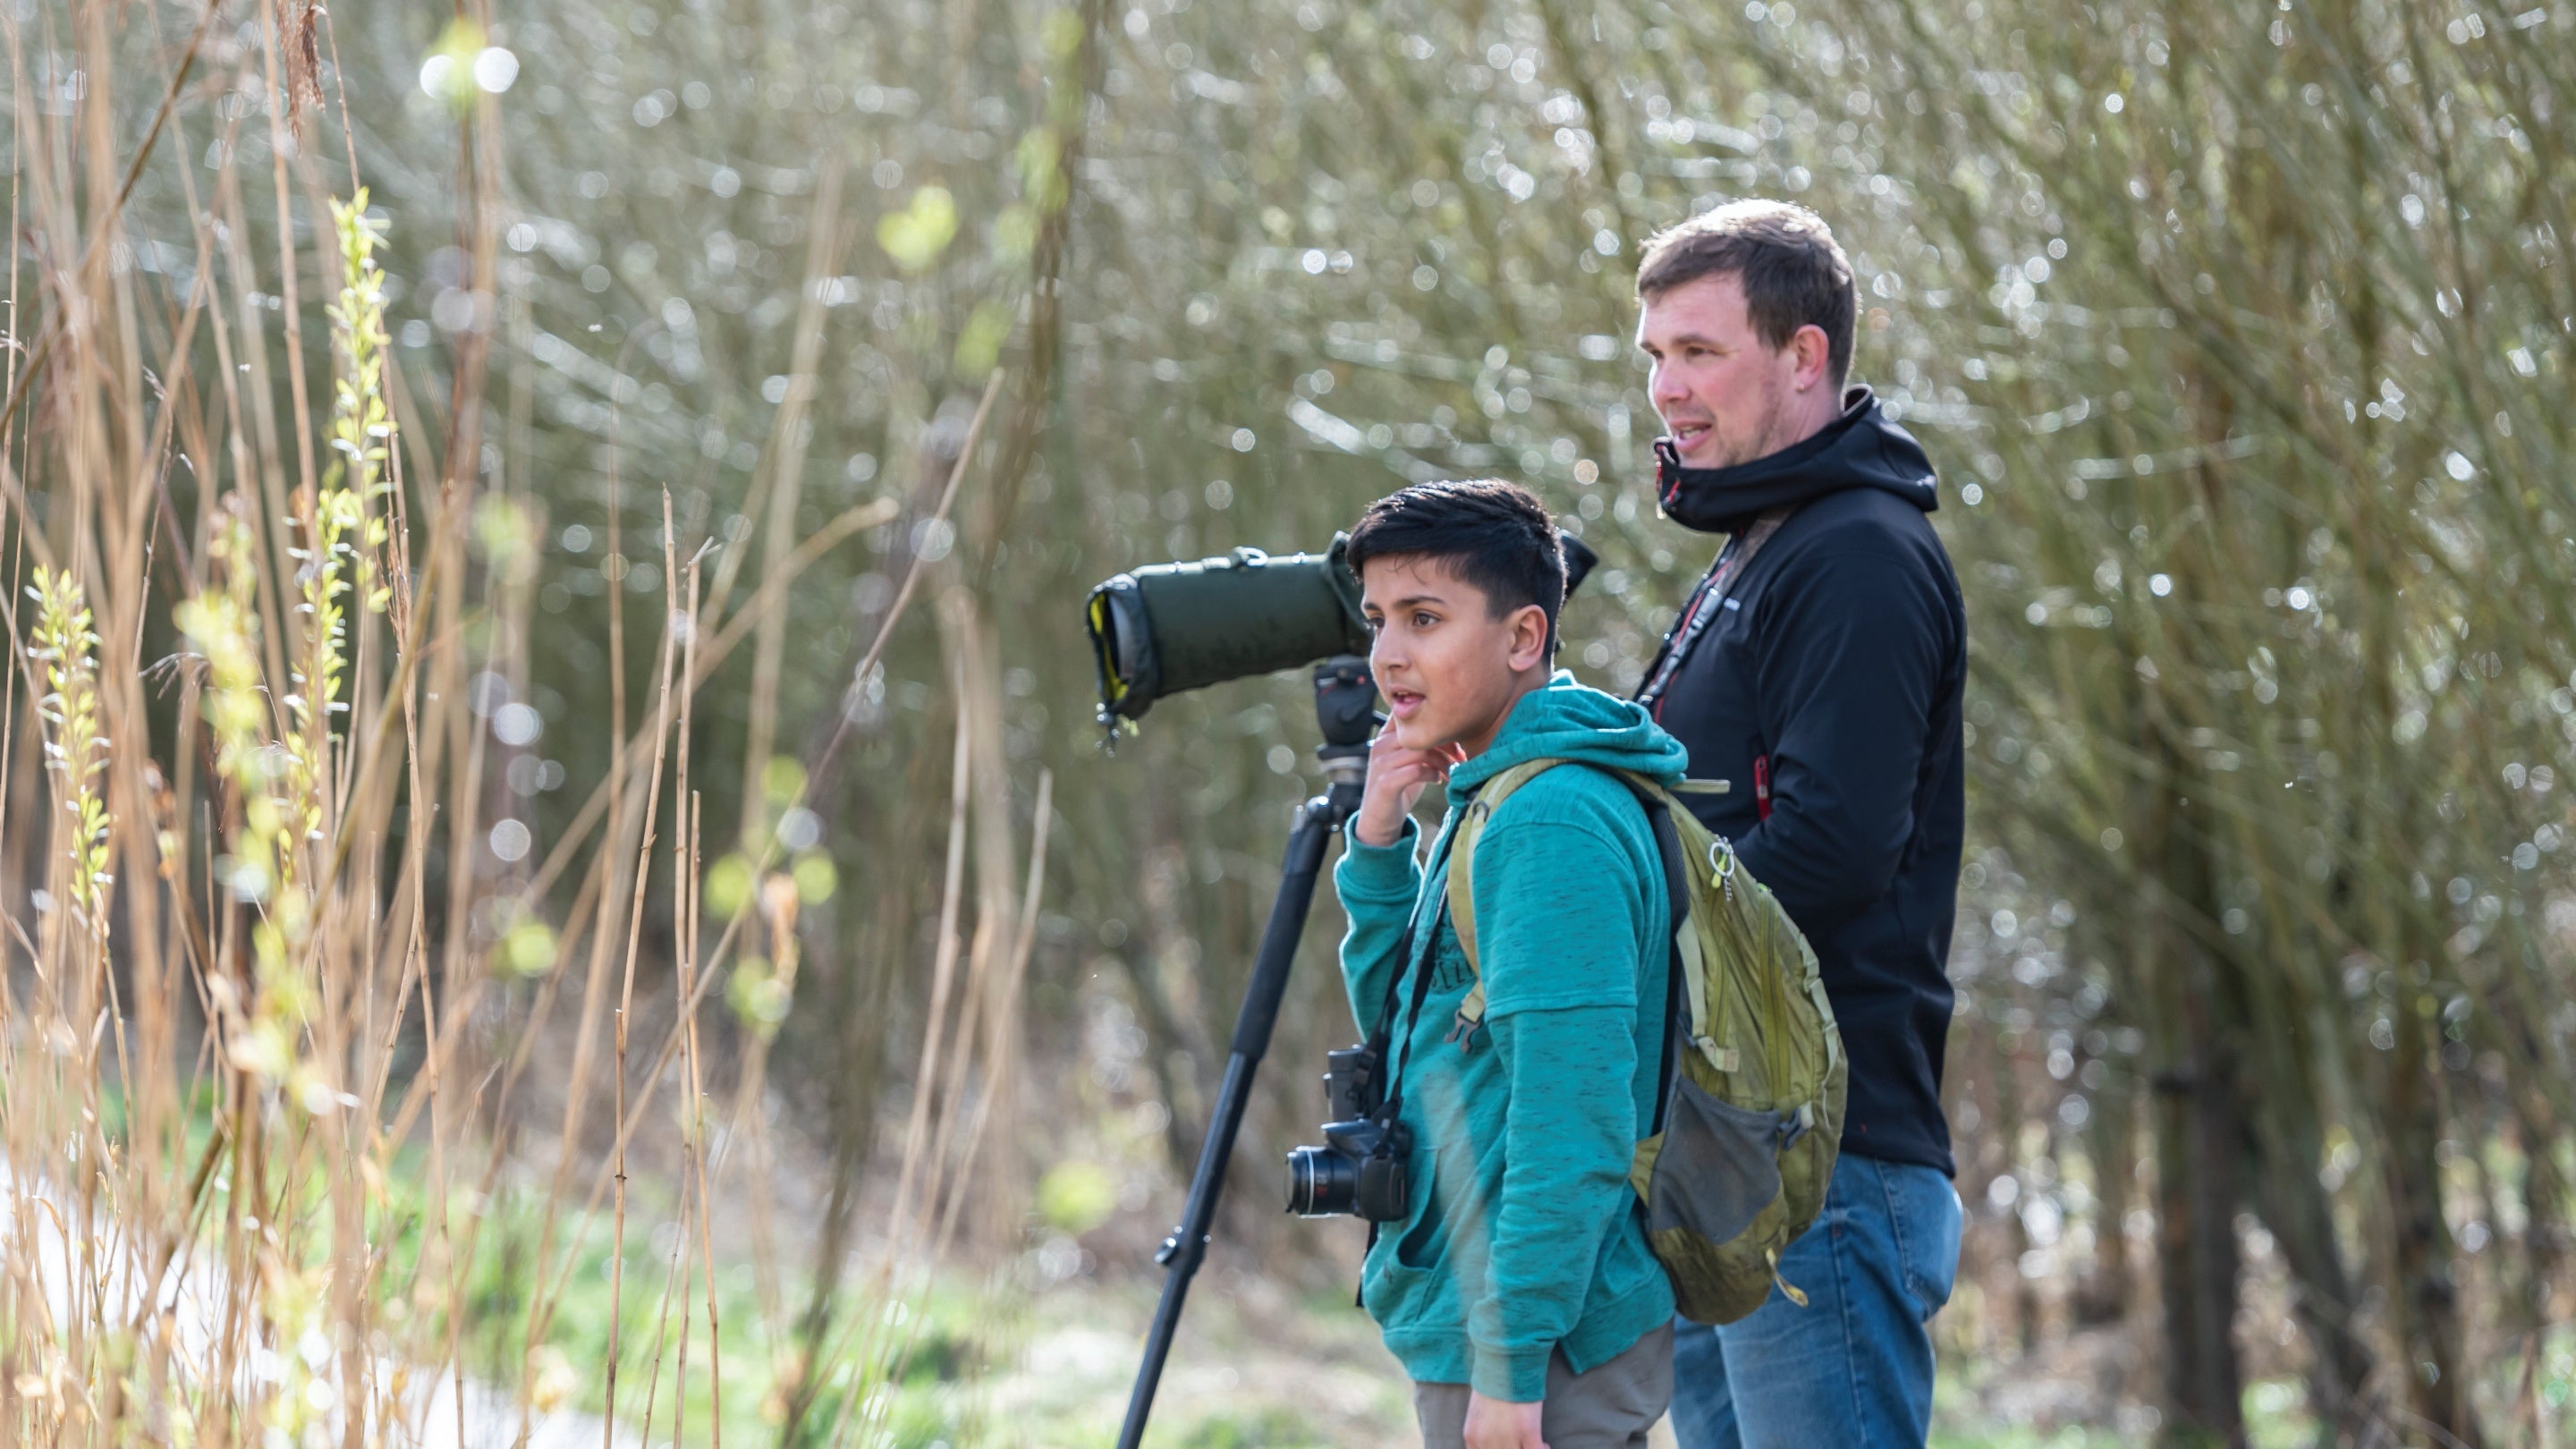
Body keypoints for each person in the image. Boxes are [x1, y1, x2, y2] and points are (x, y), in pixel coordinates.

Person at [1628, 200, 1969, 1446]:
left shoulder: (1858, 553)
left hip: (1823, 1158)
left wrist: (1621, 946)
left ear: (1804, 355)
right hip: (1728, 1151)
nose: (1666, 388)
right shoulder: (1763, 543)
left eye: (1699, 352)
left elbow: (1831, 848)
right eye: (1655, 356)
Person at [1335, 479, 1688, 1449]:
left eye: (1424, 618)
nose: (1388, 654)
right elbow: (1409, 1029)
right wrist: (1380, 842)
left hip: (1539, 1352)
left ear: (1524, 636)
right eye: (1377, 619)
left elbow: (1572, 1117)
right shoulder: (1495, 794)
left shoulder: (1549, 822)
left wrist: (1511, 1358)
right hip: (1499, 1323)